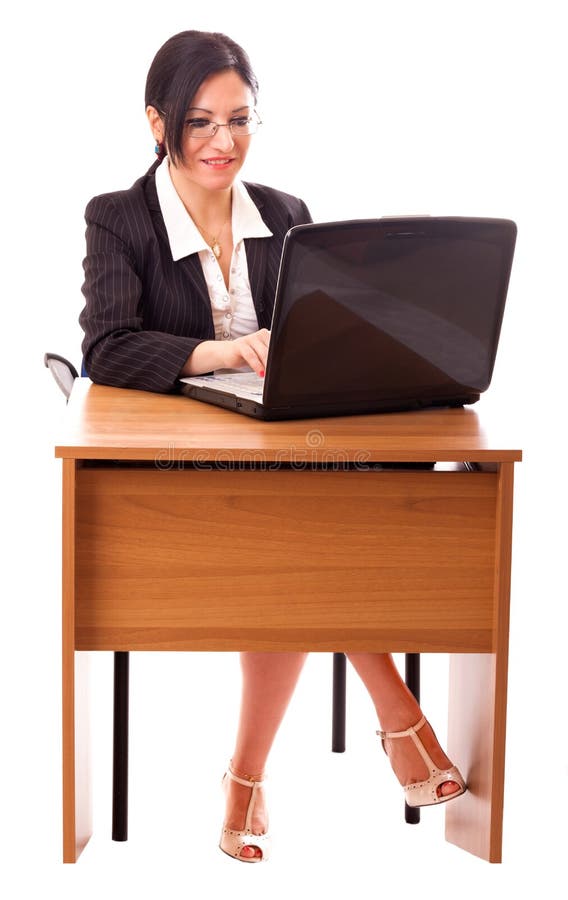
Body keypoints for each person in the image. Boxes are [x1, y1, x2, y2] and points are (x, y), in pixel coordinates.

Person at [79, 29, 466, 863]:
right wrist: (221, 352)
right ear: (158, 123)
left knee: (315, 523)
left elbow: (326, 328)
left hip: (289, 450)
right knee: (305, 535)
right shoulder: (120, 219)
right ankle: (394, 715)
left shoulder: (286, 215)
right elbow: (105, 346)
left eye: (240, 120)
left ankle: (246, 780)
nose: (223, 143)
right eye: (200, 122)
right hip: (177, 474)